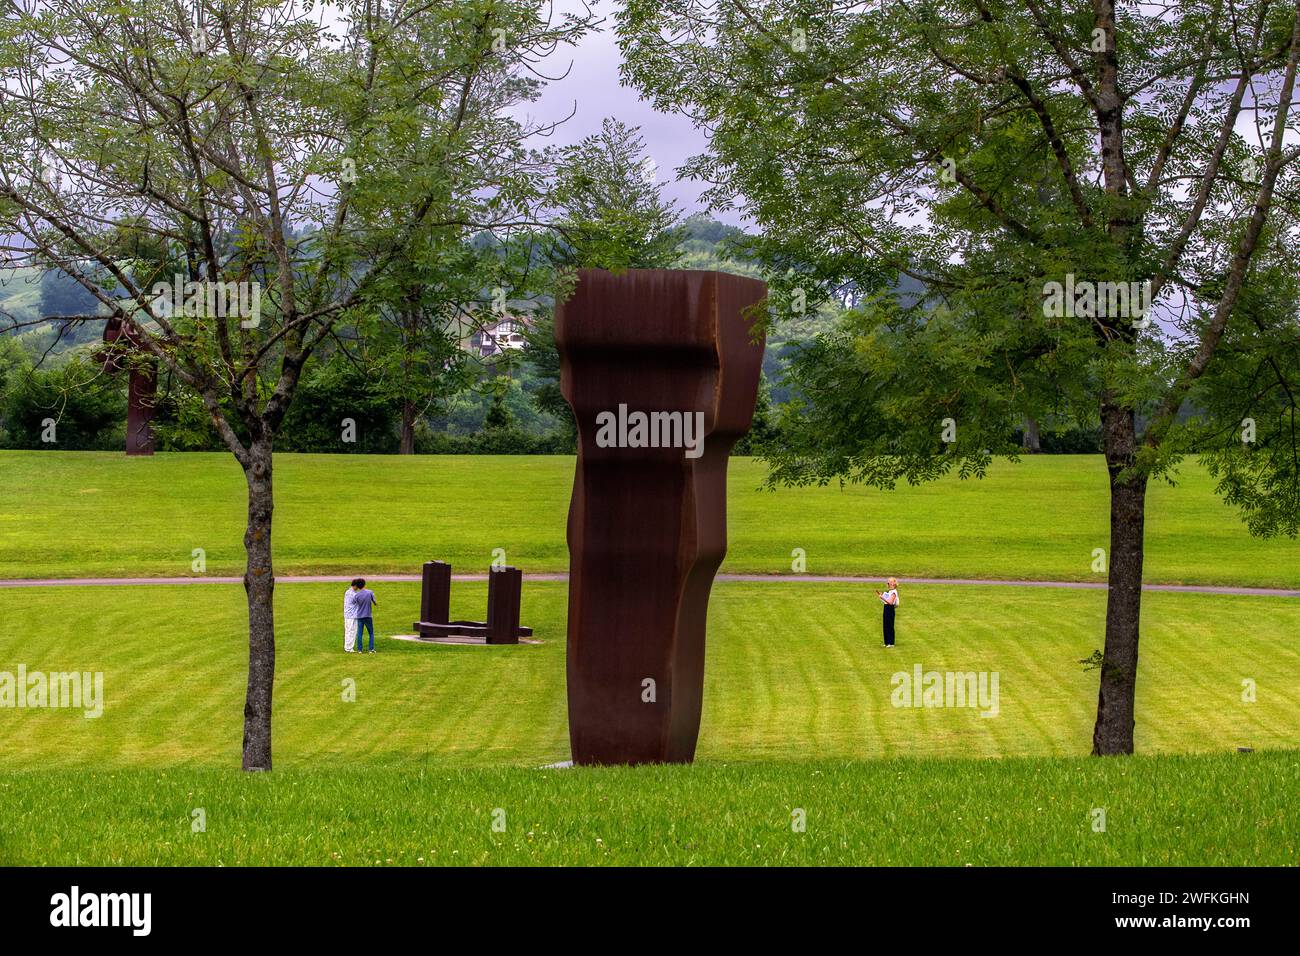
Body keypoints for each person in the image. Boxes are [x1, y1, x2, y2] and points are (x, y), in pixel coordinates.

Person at [351, 578, 379, 654]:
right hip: (368, 616)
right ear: (364, 584)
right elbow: (375, 602)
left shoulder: (356, 595)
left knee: (359, 633)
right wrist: (375, 603)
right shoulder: (370, 592)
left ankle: (359, 650)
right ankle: (371, 649)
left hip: (359, 616)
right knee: (371, 633)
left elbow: (354, 603)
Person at [876, 577, 900, 647]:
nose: (887, 583)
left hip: (890, 609)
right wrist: (882, 595)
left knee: (890, 625)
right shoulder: (889, 591)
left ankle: (891, 643)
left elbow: (890, 602)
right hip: (886, 608)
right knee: (885, 625)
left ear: (893, 583)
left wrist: (882, 597)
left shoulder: (894, 592)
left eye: (889, 582)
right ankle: (886, 642)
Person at [343, 584, 359, 652]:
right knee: (350, 631)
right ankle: (348, 647)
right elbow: (359, 600)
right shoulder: (351, 593)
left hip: (352, 615)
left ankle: (350, 647)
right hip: (350, 615)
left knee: (352, 631)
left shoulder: (348, 592)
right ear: (355, 586)